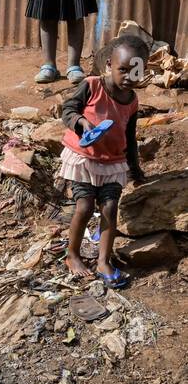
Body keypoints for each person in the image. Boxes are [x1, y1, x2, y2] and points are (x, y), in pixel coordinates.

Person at [59, 34, 147, 287]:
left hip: (113, 162)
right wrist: (81, 122)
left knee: (109, 208)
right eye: (123, 70)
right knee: (85, 207)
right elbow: (68, 109)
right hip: (84, 159)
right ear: (109, 64)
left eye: (136, 72)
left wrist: (135, 169)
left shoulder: (132, 101)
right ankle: (72, 255)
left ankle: (103, 261)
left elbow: (130, 136)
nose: (129, 77)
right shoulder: (92, 85)